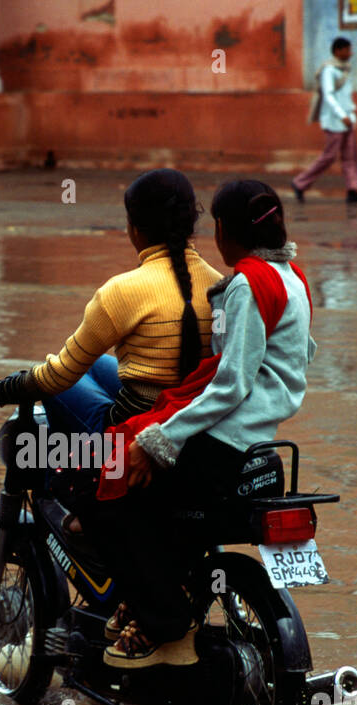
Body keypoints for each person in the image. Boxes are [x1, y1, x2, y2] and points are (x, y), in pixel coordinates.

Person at [81, 180, 317, 667]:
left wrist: (160, 440)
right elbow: (302, 355)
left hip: (221, 445)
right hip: (261, 441)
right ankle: (152, 597)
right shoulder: (292, 277)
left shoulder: (250, 284)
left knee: (103, 493)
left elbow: (231, 384)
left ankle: (163, 624)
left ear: (223, 231)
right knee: (153, 508)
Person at [0, 169, 223, 441]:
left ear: (134, 228)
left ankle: (67, 476)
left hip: (130, 427)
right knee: (92, 361)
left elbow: (55, 378)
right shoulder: (220, 285)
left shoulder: (121, 291)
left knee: (53, 380)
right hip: (194, 414)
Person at [292, 37, 357, 204]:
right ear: (338, 51)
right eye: (347, 49)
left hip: (347, 119)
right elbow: (329, 96)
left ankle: (352, 190)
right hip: (334, 121)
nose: (350, 53)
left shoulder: (346, 69)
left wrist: (351, 114)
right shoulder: (328, 70)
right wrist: (342, 115)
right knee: (329, 157)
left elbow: (346, 95)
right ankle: (300, 183)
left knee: (350, 156)